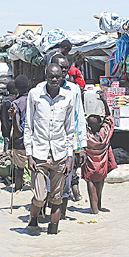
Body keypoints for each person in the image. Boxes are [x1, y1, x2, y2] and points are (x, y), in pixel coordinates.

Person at [24, 64, 77, 234]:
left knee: (57, 198)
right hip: (39, 153)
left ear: (62, 77)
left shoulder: (69, 97)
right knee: (40, 197)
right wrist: (29, 155)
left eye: (57, 76)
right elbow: (29, 127)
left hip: (60, 153)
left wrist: (70, 157)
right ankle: (33, 220)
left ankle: (53, 232)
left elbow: (70, 129)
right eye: (51, 76)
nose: (54, 79)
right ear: (46, 76)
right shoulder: (34, 95)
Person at [50, 54, 86, 209]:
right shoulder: (38, 91)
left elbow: (79, 117)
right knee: (47, 185)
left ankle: (60, 215)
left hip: (67, 143)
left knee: (65, 181)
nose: (64, 71)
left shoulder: (74, 89)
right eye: (61, 67)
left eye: (66, 68)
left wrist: (81, 146)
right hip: (46, 143)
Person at [82, 96, 117, 214]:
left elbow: (79, 120)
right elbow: (109, 117)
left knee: (91, 188)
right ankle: (99, 205)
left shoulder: (87, 137)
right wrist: (104, 101)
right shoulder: (105, 134)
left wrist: (81, 99)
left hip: (90, 167)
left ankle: (94, 210)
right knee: (100, 187)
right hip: (102, 166)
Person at [9, 75, 31, 192]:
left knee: (19, 168)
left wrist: (13, 117)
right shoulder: (35, 100)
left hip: (20, 142)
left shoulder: (16, 103)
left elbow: (17, 131)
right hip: (35, 141)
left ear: (16, 88)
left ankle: (18, 189)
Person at [0, 80, 17, 152]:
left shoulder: (4, 100)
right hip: (11, 122)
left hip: (4, 123)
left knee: (6, 138)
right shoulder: (14, 100)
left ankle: (5, 152)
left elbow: (0, 113)